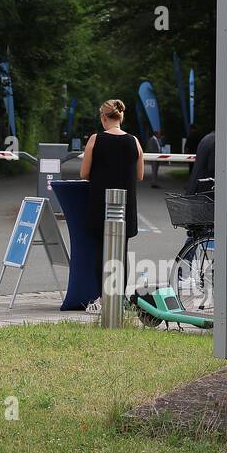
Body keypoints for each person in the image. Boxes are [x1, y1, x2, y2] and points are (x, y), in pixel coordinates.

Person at [80, 99, 144, 305]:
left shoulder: (95, 140)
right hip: (126, 205)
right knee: (121, 250)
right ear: (121, 117)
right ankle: (120, 297)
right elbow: (140, 175)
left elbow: (84, 173)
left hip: (101, 203)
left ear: (103, 117)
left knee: (101, 249)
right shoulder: (134, 141)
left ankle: (103, 297)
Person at [188, 130, 216, 195]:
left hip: (196, 184)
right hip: (204, 188)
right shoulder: (215, 141)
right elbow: (212, 167)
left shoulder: (207, 138)